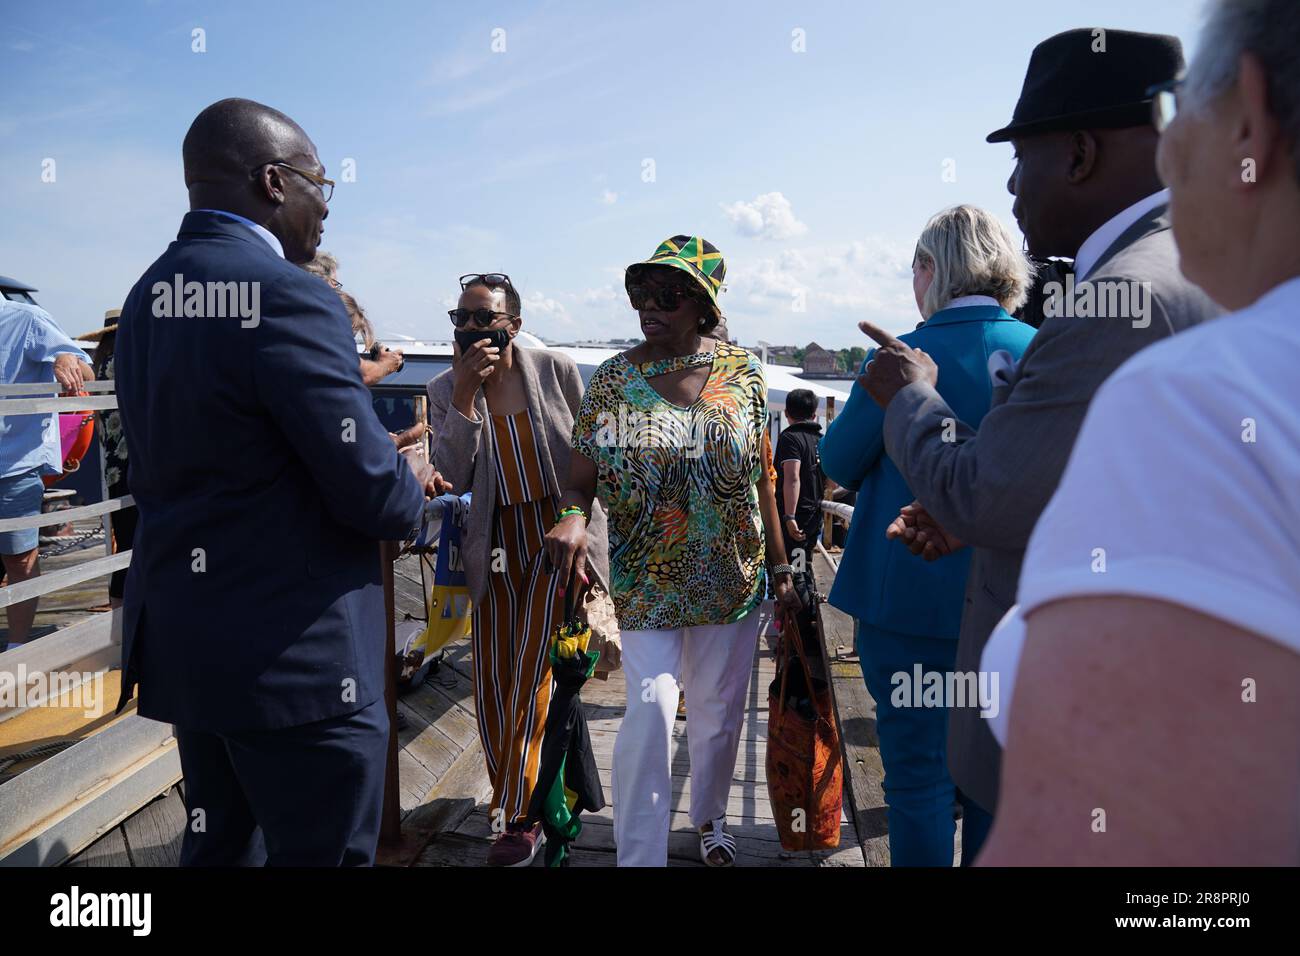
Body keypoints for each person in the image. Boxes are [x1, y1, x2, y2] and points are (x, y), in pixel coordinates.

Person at [858, 29, 1220, 862]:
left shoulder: (1118, 296)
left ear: (1081, 152)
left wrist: (910, 392)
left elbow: (988, 490)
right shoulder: (1205, 265)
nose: (1014, 189)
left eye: (1022, 159)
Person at [980, 0, 1300, 866]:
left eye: (1185, 107)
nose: (1012, 186)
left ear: (1251, 116)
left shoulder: (1192, 394)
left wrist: (914, 403)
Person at [113, 98, 447, 866]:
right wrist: (411, 470)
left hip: (192, 647)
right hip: (297, 669)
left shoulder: (147, 295)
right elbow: (376, 496)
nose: (325, 208)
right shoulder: (290, 295)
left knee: (220, 846)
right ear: (272, 181)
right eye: (317, 184)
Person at [545, 236, 802, 867]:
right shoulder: (612, 382)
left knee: (716, 716)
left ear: (704, 305)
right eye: (641, 293)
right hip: (646, 580)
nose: (648, 306)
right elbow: (580, 481)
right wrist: (573, 519)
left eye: (668, 293)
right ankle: (640, 855)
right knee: (654, 709)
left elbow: (760, 478)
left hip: (731, 577)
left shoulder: (744, 372)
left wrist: (780, 567)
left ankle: (711, 816)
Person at [821, 205, 1037, 866]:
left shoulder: (898, 358)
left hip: (905, 599)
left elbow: (836, 461)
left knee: (916, 780)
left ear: (929, 271)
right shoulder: (1041, 350)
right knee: (996, 785)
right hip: (1013, 607)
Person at [426, 272, 611, 866]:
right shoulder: (444, 386)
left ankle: (520, 815)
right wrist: (461, 397)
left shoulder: (554, 371)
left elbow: (591, 460)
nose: (474, 331)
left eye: (487, 320)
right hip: (494, 544)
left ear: (515, 324)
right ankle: (517, 796)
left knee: (534, 681)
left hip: (556, 541)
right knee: (493, 685)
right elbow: (452, 471)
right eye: (463, 320)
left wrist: (582, 530)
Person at [0, 299, 94, 650]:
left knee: (19, 559)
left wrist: (66, 358)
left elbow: (86, 371)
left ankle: (17, 648)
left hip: (14, 462)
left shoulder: (27, 318)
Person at [80, 309, 135, 610]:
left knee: (124, 542)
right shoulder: (127, 361)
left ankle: (118, 614)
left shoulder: (100, 365)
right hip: (136, 464)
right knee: (138, 543)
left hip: (114, 465)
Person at [302, 252, 404, 385]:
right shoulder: (319, 323)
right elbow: (360, 373)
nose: (336, 288)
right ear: (317, 282)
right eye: (334, 282)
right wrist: (387, 364)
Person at [774, 387, 824, 643]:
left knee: (796, 572)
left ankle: (802, 636)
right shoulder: (820, 439)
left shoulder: (789, 438)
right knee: (804, 568)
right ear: (815, 414)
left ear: (786, 412)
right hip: (814, 514)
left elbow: (792, 476)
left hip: (796, 518)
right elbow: (832, 481)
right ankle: (807, 628)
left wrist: (789, 516)